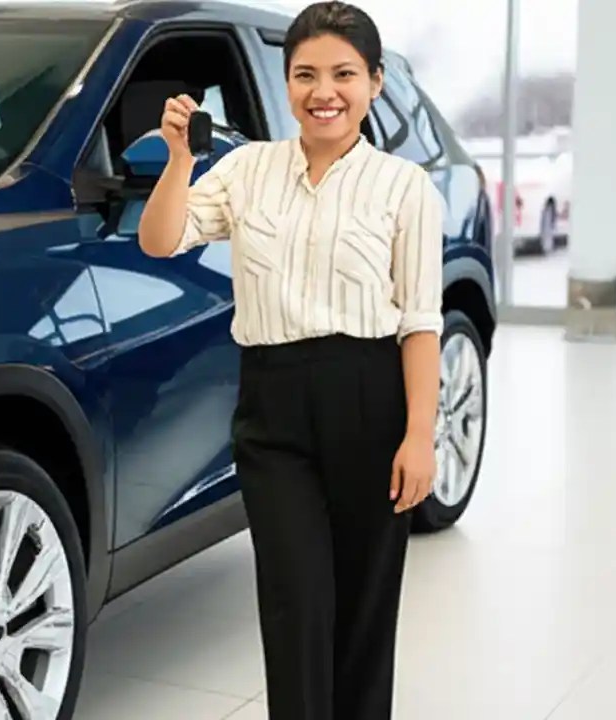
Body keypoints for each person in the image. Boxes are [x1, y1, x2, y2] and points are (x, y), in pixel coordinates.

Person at [137, 2, 442, 719]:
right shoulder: (247, 170)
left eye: (343, 74)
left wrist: (420, 434)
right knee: (294, 601)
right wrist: (180, 160)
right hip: (272, 407)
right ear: (286, 83)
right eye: (305, 74)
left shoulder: (404, 187)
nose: (322, 91)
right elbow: (162, 238)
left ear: (373, 82)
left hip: (370, 395)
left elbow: (420, 322)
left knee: (365, 608)